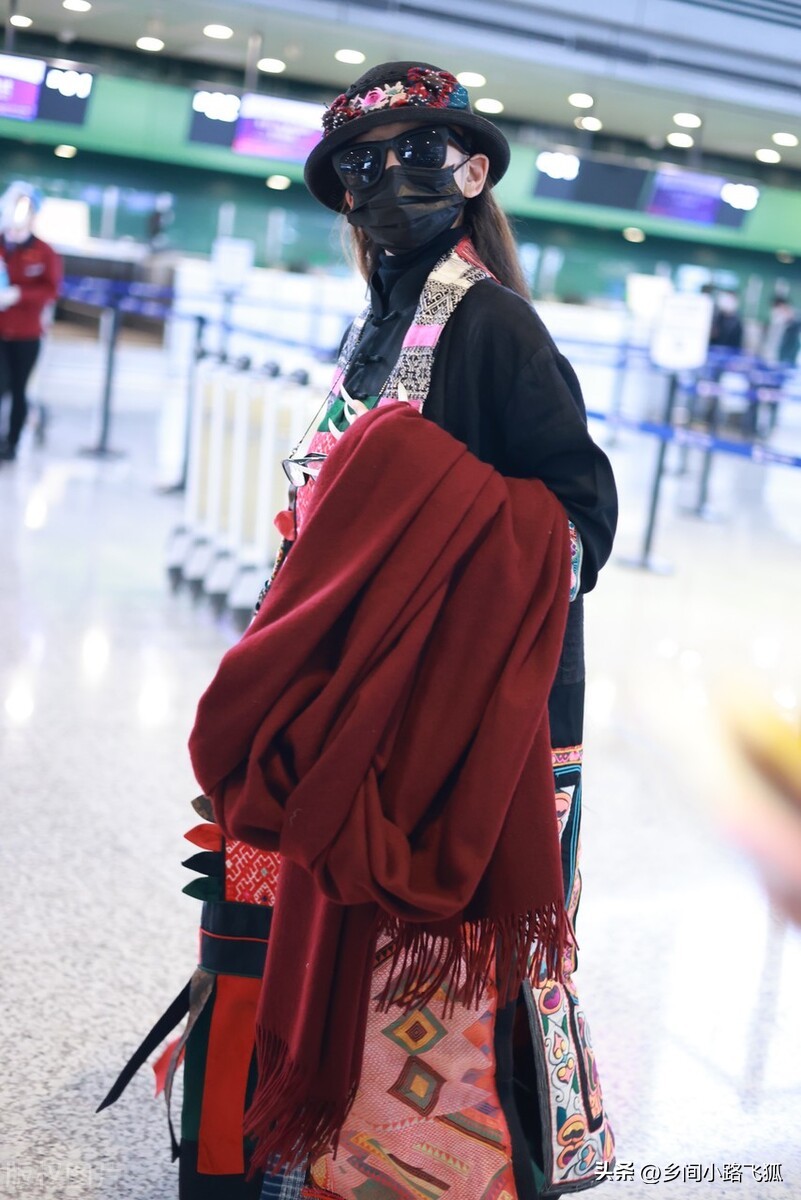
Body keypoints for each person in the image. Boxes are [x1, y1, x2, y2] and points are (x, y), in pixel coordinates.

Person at [100, 63, 618, 1200]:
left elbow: (582, 528)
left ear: (472, 171)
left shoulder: (493, 327)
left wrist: (412, 495)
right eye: (360, 168)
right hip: (349, 697)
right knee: (306, 924)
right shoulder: (380, 321)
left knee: (431, 983)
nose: (386, 181)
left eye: (416, 154)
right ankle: (291, 1139)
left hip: (452, 714)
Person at [0, 181, 62, 461]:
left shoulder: (44, 252)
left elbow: (50, 290)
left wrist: (19, 294)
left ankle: (11, 443)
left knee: (18, 389)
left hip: (26, 333)